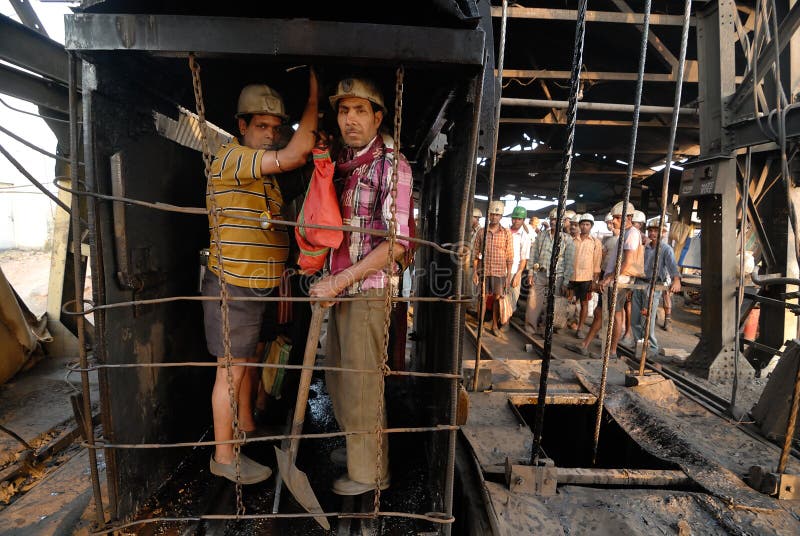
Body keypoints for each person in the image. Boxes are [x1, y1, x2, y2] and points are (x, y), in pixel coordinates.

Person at [202, 71, 319, 484]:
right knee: (230, 371)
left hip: (255, 284)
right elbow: (294, 156)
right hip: (233, 284)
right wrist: (313, 101)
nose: (270, 135)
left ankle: (247, 427)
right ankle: (224, 457)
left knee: (246, 362)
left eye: (275, 128)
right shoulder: (234, 159)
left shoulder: (261, 176)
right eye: (262, 127)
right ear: (242, 127)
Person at [309, 76, 413, 496]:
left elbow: (397, 243)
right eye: (343, 110)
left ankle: (371, 472)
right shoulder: (347, 159)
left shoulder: (392, 164)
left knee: (362, 382)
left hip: (367, 288)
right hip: (343, 287)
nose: (350, 119)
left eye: (360, 111)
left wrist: (339, 281)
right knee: (338, 376)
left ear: (377, 117)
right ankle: (358, 449)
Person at [592, 201, 644, 359]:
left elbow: (627, 262)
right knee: (607, 313)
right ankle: (606, 348)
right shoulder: (626, 233)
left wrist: (609, 278)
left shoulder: (632, 234)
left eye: (616, 218)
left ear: (628, 218)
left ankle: (612, 351)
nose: (613, 221)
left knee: (616, 315)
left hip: (621, 281)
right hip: (617, 279)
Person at [630, 217, 681, 353]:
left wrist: (676, 280)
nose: (652, 233)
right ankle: (639, 344)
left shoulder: (666, 249)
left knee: (647, 319)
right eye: (650, 230)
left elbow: (672, 267)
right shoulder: (644, 248)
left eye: (656, 231)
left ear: (663, 232)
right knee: (635, 317)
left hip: (654, 286)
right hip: (640, 283)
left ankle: (651, 348)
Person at [526, 207, 575, 334]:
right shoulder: (542, 236)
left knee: (553, 303)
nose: (554, 222)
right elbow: (534, 255)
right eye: (552, 219)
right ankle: (531, 327)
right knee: (533, 300)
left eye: (557, 219)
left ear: (563, 222)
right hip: (540, 273)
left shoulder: (567, 239)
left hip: (557, 276)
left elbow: (569, 262)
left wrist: (565, 282)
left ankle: (547, 328)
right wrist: (531, 272)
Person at [472, 200, 514, 337]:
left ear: (501, 216)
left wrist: (508, 278)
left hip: (499, 272)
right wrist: (474, 272)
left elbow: (510, 256)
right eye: (492, 214)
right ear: (488, 215)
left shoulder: (506, 233)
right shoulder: (481, 232)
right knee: (482, 298)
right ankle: (480, 325)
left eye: (497, 215)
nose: (494, 217)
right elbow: (475, 253)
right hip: (484, 271)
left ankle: (495, 325)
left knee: (497, 299)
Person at [569, 214, 602, 338]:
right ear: (579, 225)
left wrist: (594, 281)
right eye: (582, 224)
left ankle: (580, 328)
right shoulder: (572, 240)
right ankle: (563, 323)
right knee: (568, 302)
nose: (584, 227)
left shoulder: (595, 242)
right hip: (571, 277)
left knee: (584, 303)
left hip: (586, 278)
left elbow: (597, 263)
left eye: (587, 224)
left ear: (591, 226)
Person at [507, 205, 531, 314]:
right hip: (500, 270)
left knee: (512, 298)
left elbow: (523, 258)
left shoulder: (525, 237)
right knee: (499, 297)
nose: (516, 221)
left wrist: (518, 274)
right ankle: (496, 321)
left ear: (523, 220)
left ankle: (506, 323)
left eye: (519, 219)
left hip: (513, 271)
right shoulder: (505, 232)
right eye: (514, 218)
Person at [466, 207, 483, 315]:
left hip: (475, 263)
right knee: (469, 286)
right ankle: (470, 306)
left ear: (476, 218)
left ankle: (474, 309)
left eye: (471, 218)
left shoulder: (480, 231)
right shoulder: (471, 231)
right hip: (469, 263)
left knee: (474, 286)